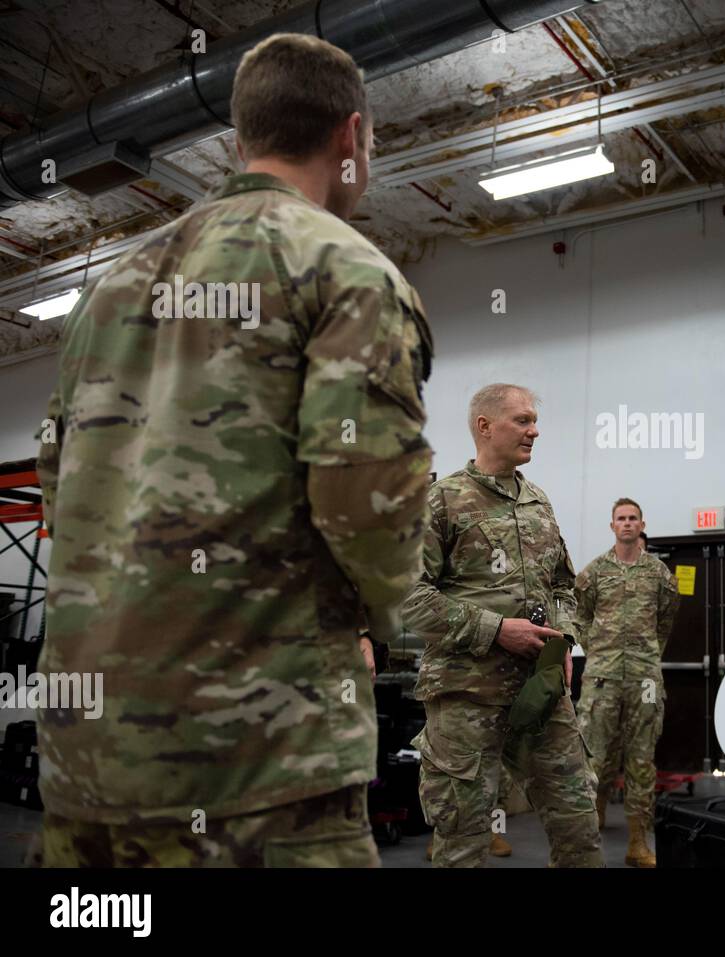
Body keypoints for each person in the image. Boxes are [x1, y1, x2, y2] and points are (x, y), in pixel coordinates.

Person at [33, 33, 432, 867]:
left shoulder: (107, 289)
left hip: (85, 755)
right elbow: (367, 504)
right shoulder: (341, 268)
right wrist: (380, 620)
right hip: (257, 762)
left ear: (239, 141)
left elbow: (58, 487)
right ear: (349, 138)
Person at [404, 383, 602, 868]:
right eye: (523, 420)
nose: (534, 431)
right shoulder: (441, 501)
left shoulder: (539, 501)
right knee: (463, 838)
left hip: (540, 690)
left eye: (535, 421)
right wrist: (496, 629)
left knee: (579, 825)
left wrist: (565, 644)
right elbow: (408, 598)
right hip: (465, 694)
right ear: (484, 426)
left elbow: (562, 585)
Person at [575, 498, 679, 867]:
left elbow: (665, 620)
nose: (627, 523)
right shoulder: (595, 572)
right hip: (601, 678)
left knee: (640, 760)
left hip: (644, 680)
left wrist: (647, 653)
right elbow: (578, 615)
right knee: (593, 757)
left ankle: (638, 841)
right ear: (612, 526)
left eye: (633, 518)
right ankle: (589, 830)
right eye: (621, 518)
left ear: (642, 524)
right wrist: (597, 649)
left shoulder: (659, 574)